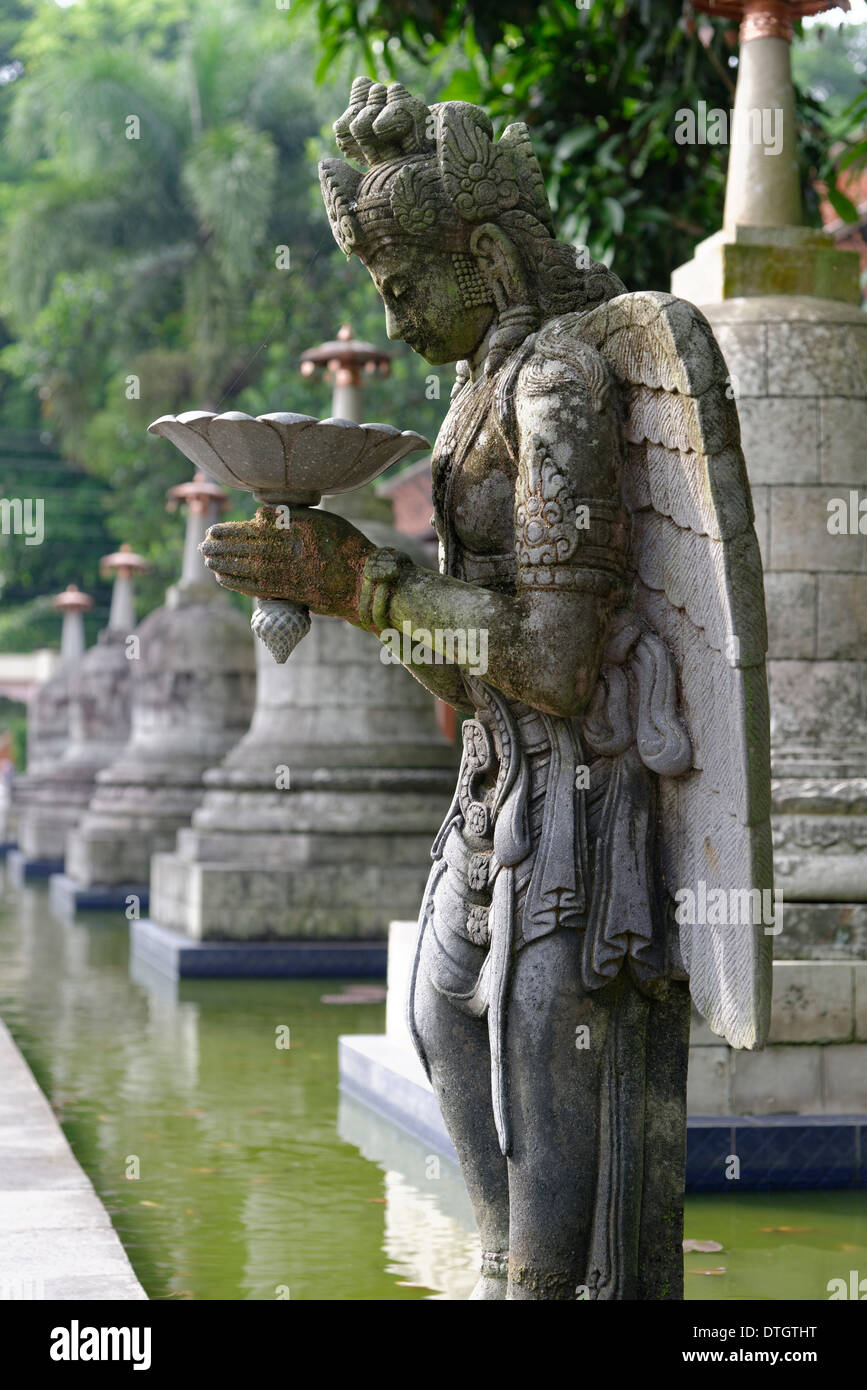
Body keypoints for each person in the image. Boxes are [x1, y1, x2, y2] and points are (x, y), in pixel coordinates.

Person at [202, 79, 772, 1300]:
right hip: (490, 800)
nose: (395, 313)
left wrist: (372, 590)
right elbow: (465, 659)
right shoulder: (472, 396)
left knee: (548, 1154)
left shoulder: (560, 381)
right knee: (443, 1037)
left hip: (574, 816)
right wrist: (341, 587)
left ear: (486, 253)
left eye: (407, 283)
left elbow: (561, 663)